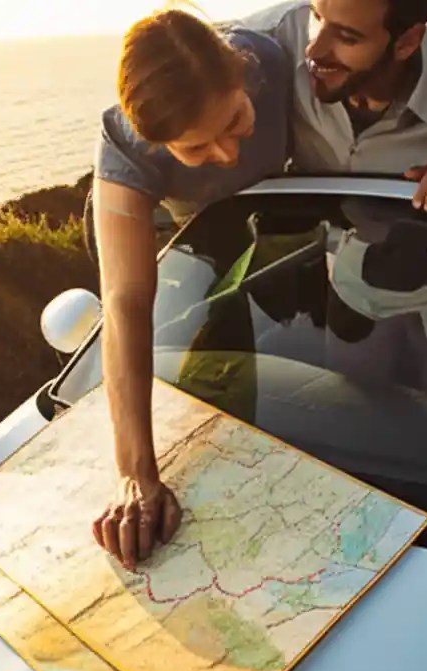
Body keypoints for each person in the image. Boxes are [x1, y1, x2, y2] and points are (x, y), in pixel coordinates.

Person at [88, 7, 293, 571]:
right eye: (195, 149)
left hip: (273, 217)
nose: (226, 154)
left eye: (235, 122)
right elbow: (127, 301)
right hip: (186, 240)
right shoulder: (124, 147)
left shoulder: (274, 58)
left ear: (244, 76)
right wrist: (136, 475)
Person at [237, 0, 427, 207]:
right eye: (317, 18)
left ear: (407, 42)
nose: (313, 50)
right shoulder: (272, 42)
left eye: (347, 38)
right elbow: (195, 54)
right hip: (323, 282)